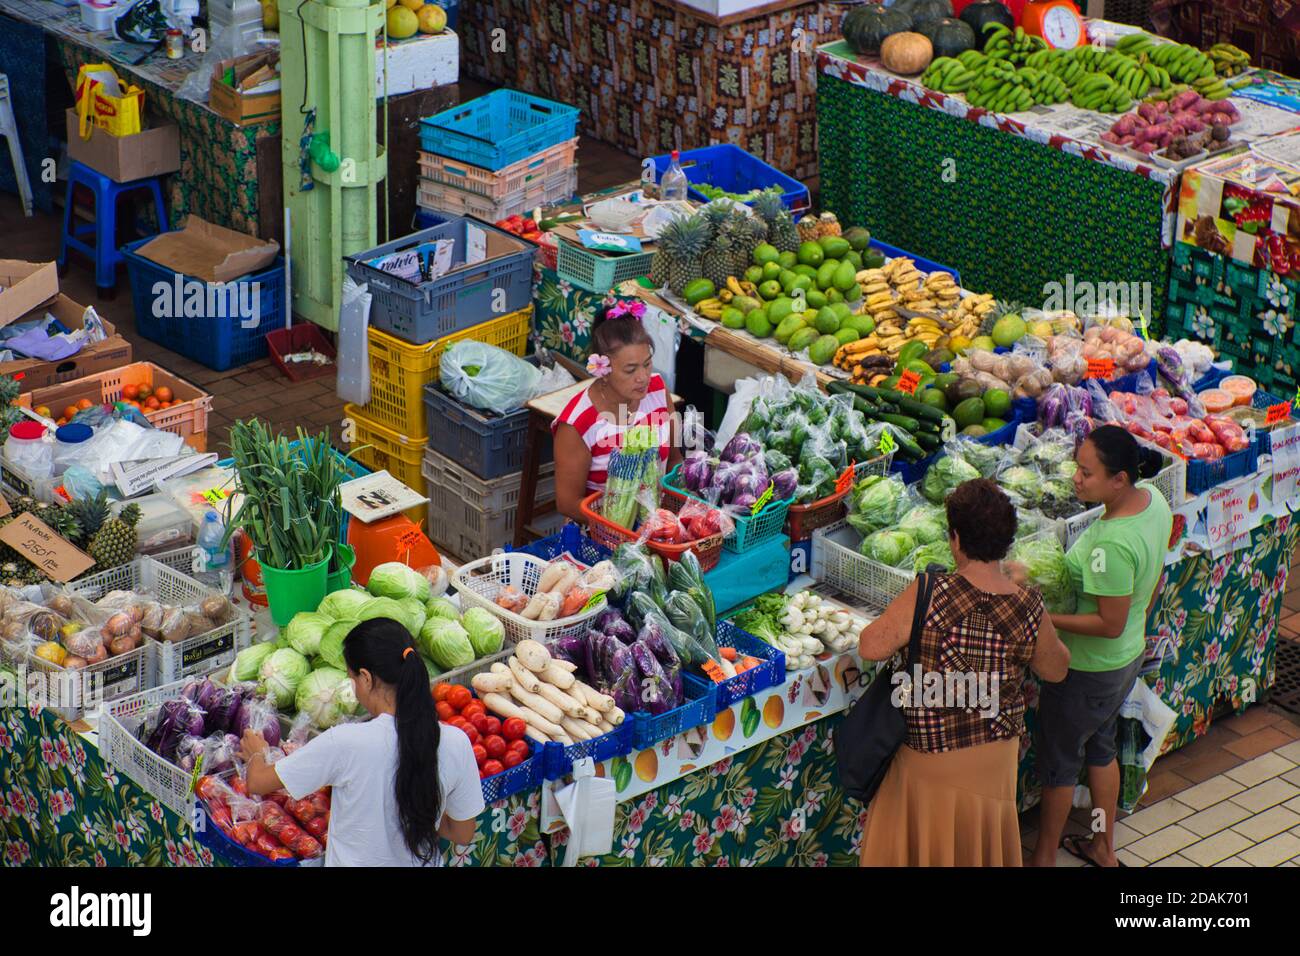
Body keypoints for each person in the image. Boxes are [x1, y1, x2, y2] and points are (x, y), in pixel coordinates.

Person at [857, 479, 1070, 867]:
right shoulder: (1028, 605)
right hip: (993, 760)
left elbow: (870, 646)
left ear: (955, 539)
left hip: (929, 754)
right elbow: (1056, 669)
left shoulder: (928, 591)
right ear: (1006, 543)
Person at [1023, 425, 1172, 868]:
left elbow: (1109, 623)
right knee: (1102, 749)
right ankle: (1102, 846)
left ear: (1119, 479)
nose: (1076, 479)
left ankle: (1044, 857)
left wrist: (1045, 619)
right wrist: (1140, 615)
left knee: (1061, 765)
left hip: (1088, 668)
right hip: (1126, 659)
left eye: (1086, 474)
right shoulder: (1154, 502)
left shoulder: (1110, 544)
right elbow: (1155, 576)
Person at [239, 618, 484, 866]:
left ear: (366, 678)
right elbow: (462, 833)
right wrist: (418, 807)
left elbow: (258, 783)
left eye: (351, 678)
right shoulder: (456, 741)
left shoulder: (345, 742)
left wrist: (256, 754)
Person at [553, 301, 683, 523]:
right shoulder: (578, 424)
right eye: (630, 370)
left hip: (658, 525)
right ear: (603, 370)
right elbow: (567, 502)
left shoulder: (658, 390)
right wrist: (617, 530)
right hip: (600, 534)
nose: (643, 377)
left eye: (647, 364)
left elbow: (674, 460)